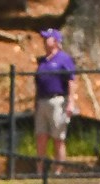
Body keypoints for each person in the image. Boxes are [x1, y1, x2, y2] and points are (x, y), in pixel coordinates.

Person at [34, 29, 76, 173]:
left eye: (48, 38)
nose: (45, 41)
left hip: (58, 101)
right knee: (41, 136)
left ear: (56, 42)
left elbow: (71, 81)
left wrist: (71, 102)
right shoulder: (43, 61)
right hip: (42, 101)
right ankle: (39, 170)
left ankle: (58, 170)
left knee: (58, 138)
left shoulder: (64, 59)